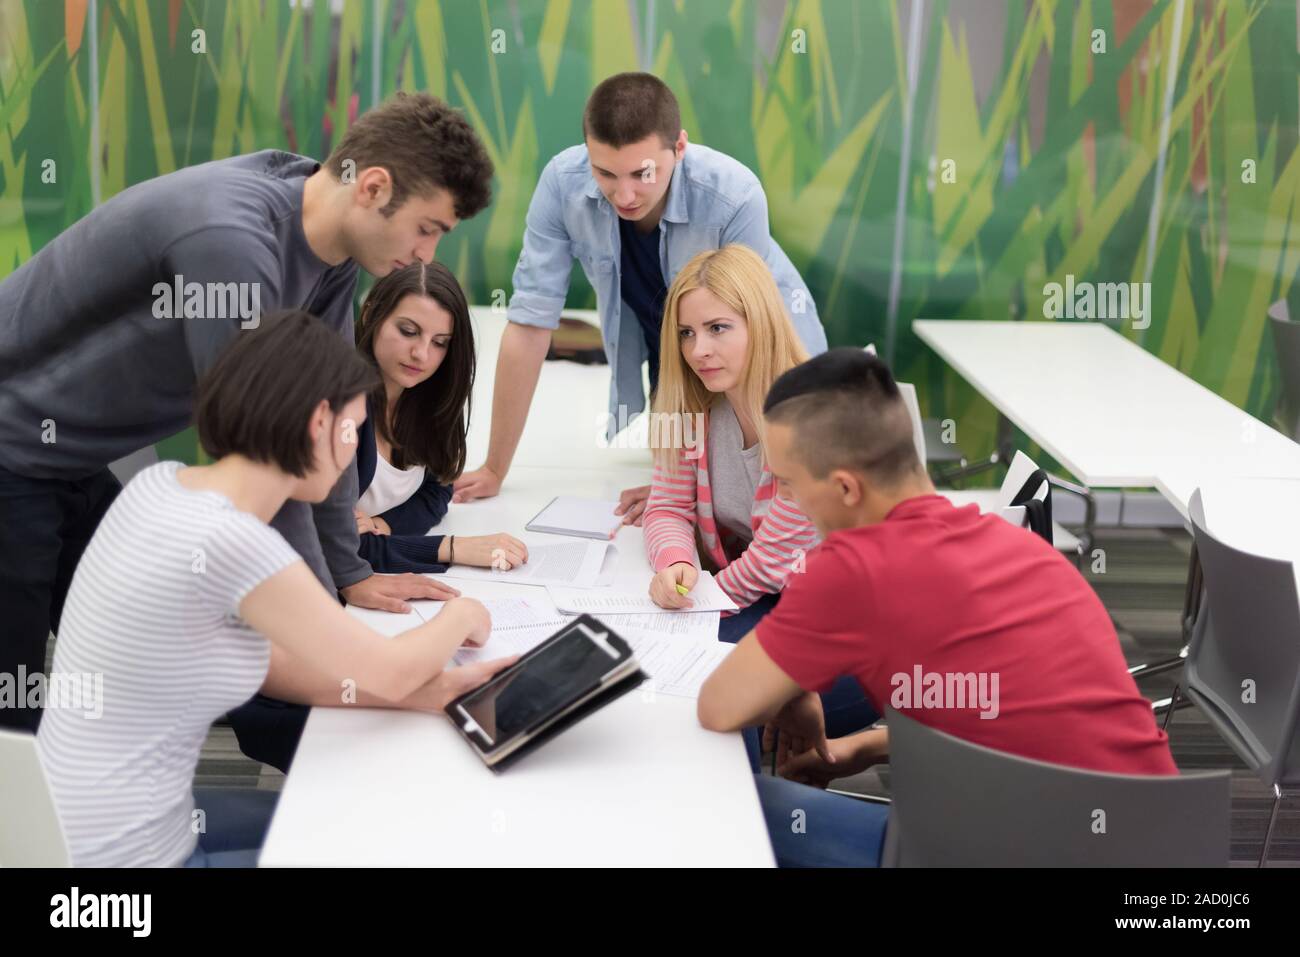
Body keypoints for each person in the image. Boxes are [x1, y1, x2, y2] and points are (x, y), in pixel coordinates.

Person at [0, 91, 495, 735]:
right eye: (428, 228)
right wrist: (332, 628)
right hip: (12, 452)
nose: (427, 254)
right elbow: (279, 447)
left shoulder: (329, 250)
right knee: (13, 715)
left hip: (71, 458)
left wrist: (348, 574)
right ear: (373, 187)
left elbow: (326, 416)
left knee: (138, 672)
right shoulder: (229, 242)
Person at [36, 312, 513, 867]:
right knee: (390, 842)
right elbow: (388, 669)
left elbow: (273, 665)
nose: (350, 457)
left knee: (355, 820)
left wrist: (428, 691)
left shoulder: (159, 488)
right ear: (318, 422)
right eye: (353, 430)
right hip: (130, 869)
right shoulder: (233, 542)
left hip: (64, 836)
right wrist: (466, 616)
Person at [697, 348, 1178, 867]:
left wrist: (788, 694)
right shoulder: (1025, 550)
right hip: (1165, 855)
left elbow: (718, 706)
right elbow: (1026, 722)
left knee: (716, 806)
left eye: (787, 484)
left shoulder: (851, 570)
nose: (781, 499)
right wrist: (868, 748)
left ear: (844, 488)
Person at [452, 72, 827, 526]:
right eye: (605, 173)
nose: (623, 194)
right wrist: (494, 467)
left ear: (680, 148)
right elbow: (530, 325)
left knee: (772, 498)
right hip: (673, 352)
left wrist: (685, 490)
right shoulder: (561, 183)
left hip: (764, 358)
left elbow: (751, 348)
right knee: (673, 459)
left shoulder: (734, 194)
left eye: (642, 173)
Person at [352, 261, 528, 574]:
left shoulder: (429, 396)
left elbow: (437, 491)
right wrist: (453, 548)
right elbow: (342, 546)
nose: (422, 354)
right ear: (370, 316)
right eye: (408, 331)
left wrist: (384, 525)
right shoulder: (341, 405)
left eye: (439, 342)